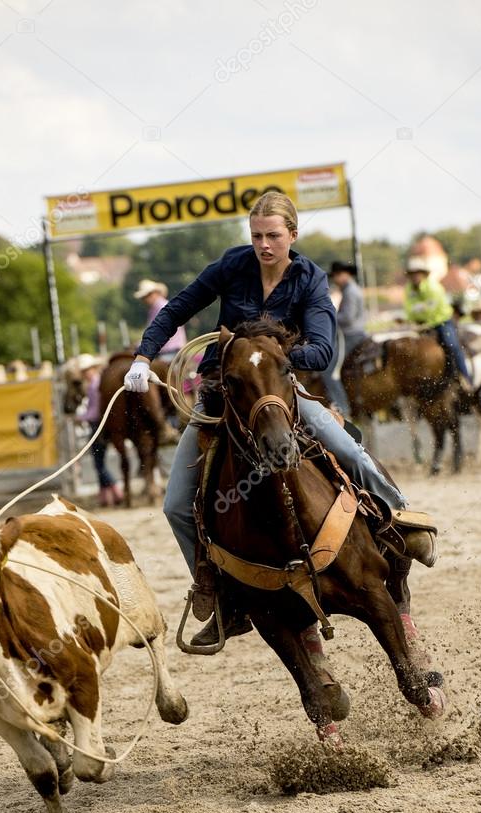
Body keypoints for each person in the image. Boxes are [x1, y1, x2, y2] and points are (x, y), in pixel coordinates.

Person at [124, 192, 437, 645]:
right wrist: (142, 357)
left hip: (281, 391)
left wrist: (269, 352)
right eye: (256, 236)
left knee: (347, 446)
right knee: (175, 504)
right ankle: (219, 591)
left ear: (292, 234)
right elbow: (177, 309)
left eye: (273, 235)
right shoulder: (231, 266)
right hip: (226, 393)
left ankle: (399, 520)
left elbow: (324, 350)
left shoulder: (310, 279)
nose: (264, 245)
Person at [404, 260, 473, 390]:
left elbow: (432, 309)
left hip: (441, 322)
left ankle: (465, 377)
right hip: (421, 324)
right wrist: (416, 318)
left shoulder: (433, 287)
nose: (415, 277)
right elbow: (408, 309)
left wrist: (420, 315)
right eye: (412, 274)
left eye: (417, 274)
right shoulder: (408, 288)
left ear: (423, 275)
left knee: (451, 344)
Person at [75, 352, 123, 507]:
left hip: (97, 425)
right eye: (84, 371)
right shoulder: (96, 383)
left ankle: (115, 490)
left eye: (87, 370)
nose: (85, 373)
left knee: (98, 462)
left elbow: (94, 412)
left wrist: (80, 418)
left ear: (93, 369)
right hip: (99, 424)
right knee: (98, 460)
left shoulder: (95, 385)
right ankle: (106, 495)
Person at [321, 260, 368, 413]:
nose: (336, 279)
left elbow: (348, 318)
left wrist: (330, 316)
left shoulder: (350, 292)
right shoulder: (350, 290)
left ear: (346, 274)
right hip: (352, 333)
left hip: (351, 335)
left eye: (338, 275)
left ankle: (343, 409)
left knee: (328, 369)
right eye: (335, 275)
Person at [133, 279, 188, 360]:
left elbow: (156, 332)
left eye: (146, 296)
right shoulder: (158, 307)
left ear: (154, 294)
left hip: (171, 351)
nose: (144, 300)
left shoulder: (161, 307)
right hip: (170, 350)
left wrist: (140, 345)